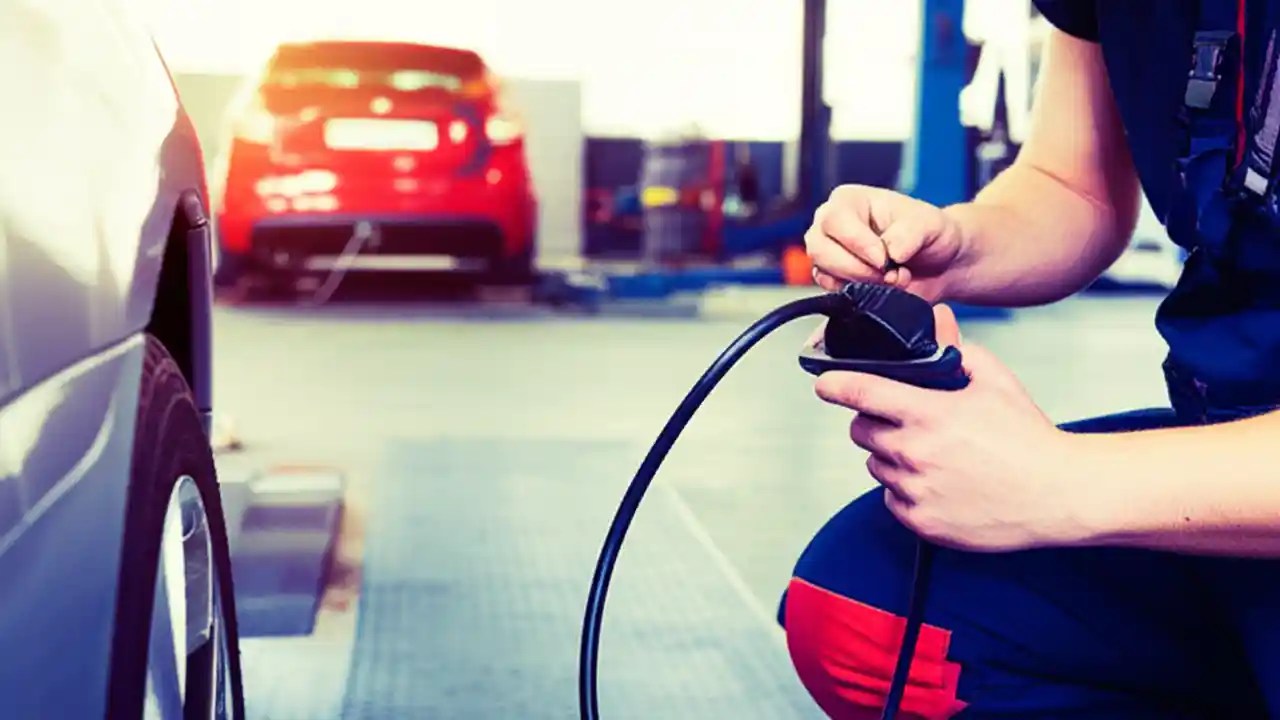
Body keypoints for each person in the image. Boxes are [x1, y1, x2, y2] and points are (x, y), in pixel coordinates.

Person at [780, 2, 1280, 718]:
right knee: (867, 609)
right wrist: (958, 241)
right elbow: (1070, 183)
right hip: (1223, 437)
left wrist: (1062, 485)